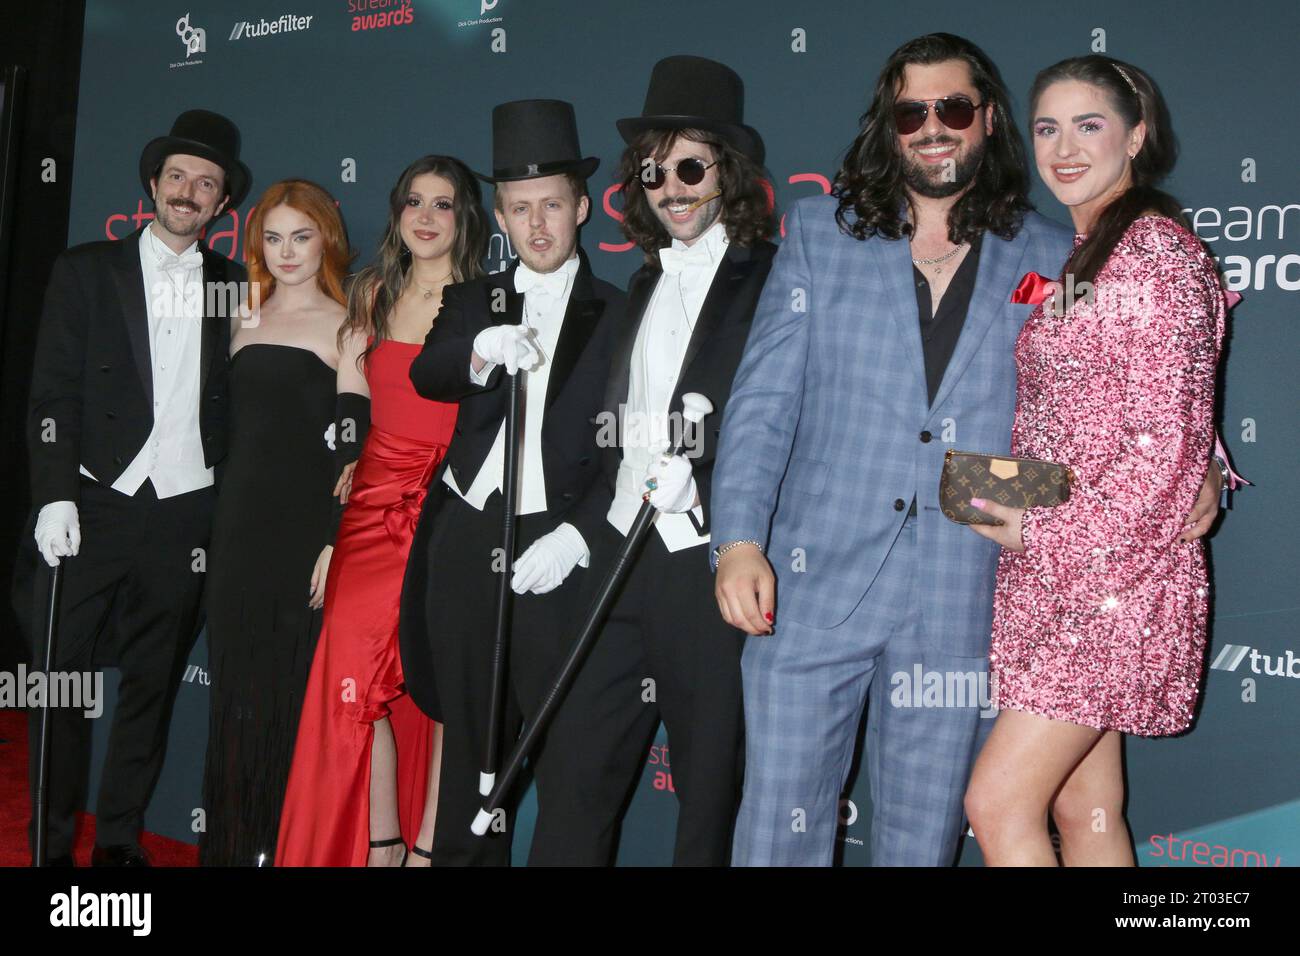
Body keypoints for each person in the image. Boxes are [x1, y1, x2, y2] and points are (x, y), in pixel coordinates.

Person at [710, 34, 1225, 866]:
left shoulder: (1054, 254)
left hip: (965, 589)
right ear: (890, 125)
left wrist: (1204, 461)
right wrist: (737, 541)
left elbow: (1134, 384)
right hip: (812, 583)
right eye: (911, 112)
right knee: (777, 823)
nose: (932, 127)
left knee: (927, 837)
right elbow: (763, 401)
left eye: (952, 108)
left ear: (986, 119)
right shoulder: (818, 235)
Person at [962, 56, 1228, 866]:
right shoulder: (1084, 258)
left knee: (997, 803)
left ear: (1137, 135)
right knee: (1088, 809)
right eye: (1048, 127)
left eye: (1090, 124)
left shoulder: (1156, 258)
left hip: (1118, 581)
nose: (1064, 147)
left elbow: (1165, 444)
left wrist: (1042, 537)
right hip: (1062, 570)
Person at [525, 55, 777, 866]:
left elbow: (787, 421)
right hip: (613, 559)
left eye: (691, 166)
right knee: (573, 777)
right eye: (654, 169)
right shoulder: (639, 287)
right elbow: (604, 431)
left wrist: (702, 487)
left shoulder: (774, 283)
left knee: (709, 793)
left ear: (727, 174)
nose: (670, 186)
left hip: (707, 568)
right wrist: (576, 528)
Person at [13, 109, 250, 866]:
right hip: (92, 503)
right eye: (177, 176)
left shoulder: (232, 284)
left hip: (184, 513)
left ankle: (118, 845)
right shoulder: (87, 270)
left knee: (151, 688)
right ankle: (50, 853)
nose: (188, 192)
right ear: (153, 185)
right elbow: (52, 390)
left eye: (205, 183)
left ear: (220, 205)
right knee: (58, 686)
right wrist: (54, 492)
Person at [398, 99, 624, 866]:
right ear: (500, 215)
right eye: (520, 209)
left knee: (560, 751)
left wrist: (580, 536)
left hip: (552, 548)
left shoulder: (622, 315)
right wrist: (482, 351)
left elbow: (627, 457)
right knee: (469, 748)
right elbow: (429, 373)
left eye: (552, 205)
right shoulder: (473, 299)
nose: (537, 226)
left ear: (583, 208)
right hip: (465, 538)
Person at [275, 156, 489, 866]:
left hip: (453, 506)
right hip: (371, 505)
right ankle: (380, 839)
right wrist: (345, 481)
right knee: (351, 676)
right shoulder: (370, 293)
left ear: (465, 217)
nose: (426, 218)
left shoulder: (490, 300)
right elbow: (352, 399)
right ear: (397, 212)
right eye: (413, 202)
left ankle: (430, 843)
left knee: (440, 677)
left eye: (444, 204)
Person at [199, 179, 353, 866]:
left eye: (301, 235)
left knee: (291, 696)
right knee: (234, 696)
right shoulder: (238, 315)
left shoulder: (350, 324)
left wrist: (334, 537)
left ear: (325, 240)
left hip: (302, 535)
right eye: (272, 237)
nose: (286, 251)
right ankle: (231, 849)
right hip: (234, 531)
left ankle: (280, 848)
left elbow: (356, 446)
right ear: (255, 242)